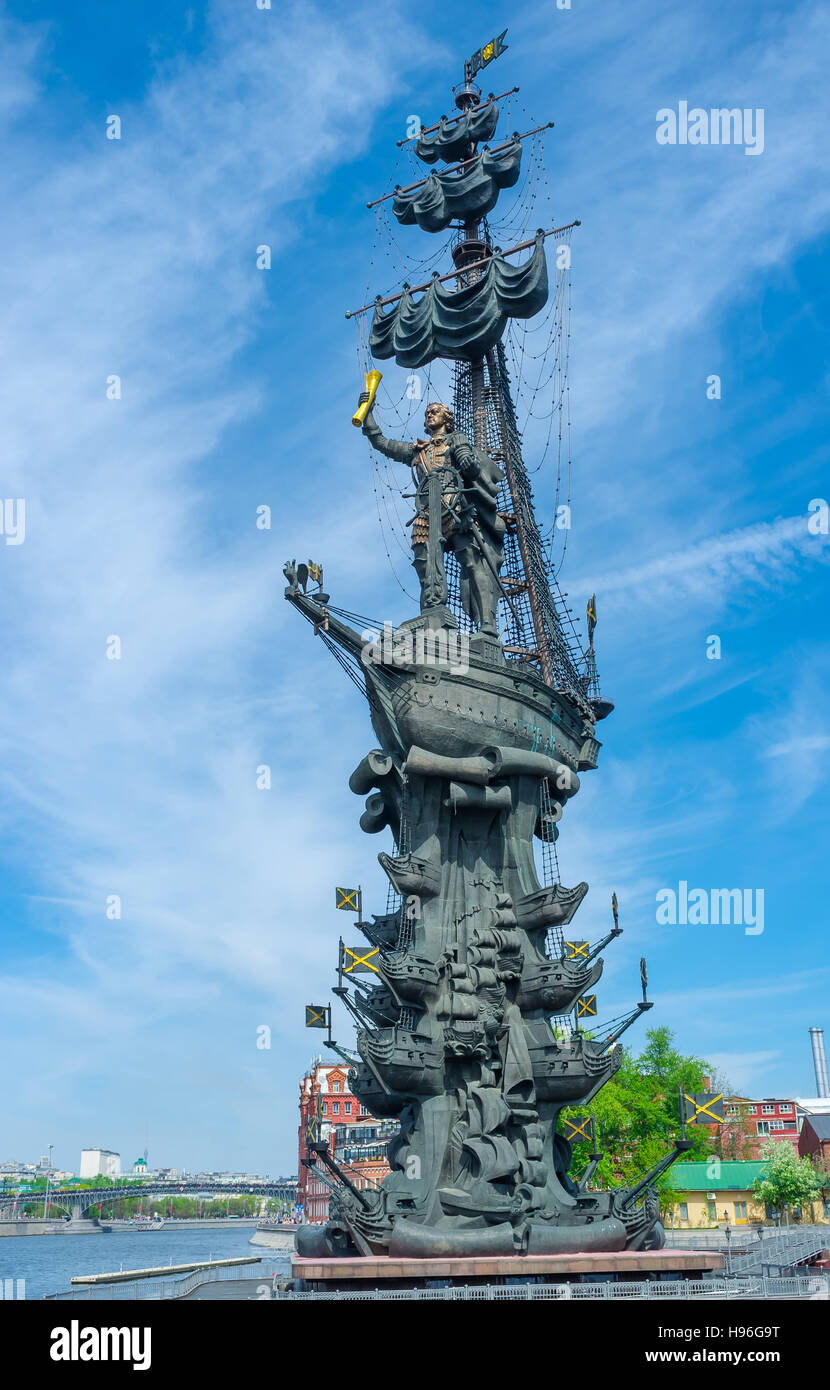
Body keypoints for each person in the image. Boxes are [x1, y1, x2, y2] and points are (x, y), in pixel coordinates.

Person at [360, 398, 505, 634]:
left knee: (470, 560)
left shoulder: (456, 441)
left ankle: (487, 623)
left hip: (453, 508)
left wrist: (464, 455)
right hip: (427, 512)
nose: (430, 415)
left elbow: (472, 469)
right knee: (423, 561)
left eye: (435, 411)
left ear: (446, 418)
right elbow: (382, 443)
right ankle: (434, 610)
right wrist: (367, 413)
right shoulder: (418, 450)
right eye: (427, 412)